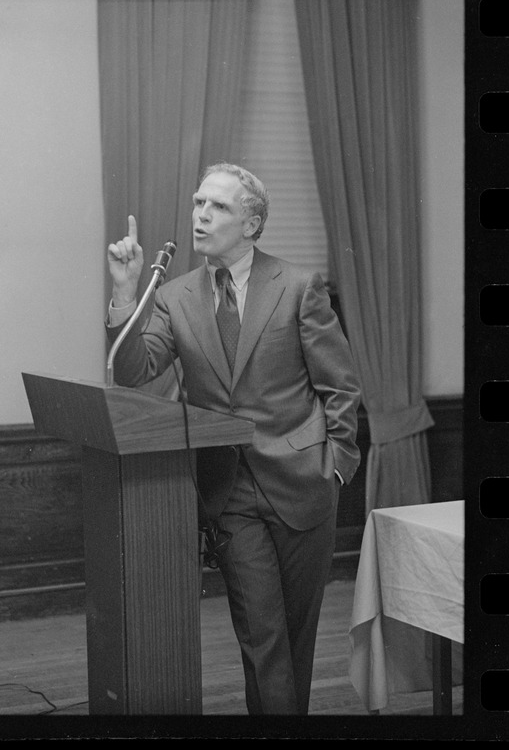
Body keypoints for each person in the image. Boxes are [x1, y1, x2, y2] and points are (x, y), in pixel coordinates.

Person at [106, 162, 361, 715]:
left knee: (296, 637)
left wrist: (337, 465)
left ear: (252, 223)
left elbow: (340, 386)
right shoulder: (174, 296)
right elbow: (133, 370)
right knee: (261, 636)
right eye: (198, 202)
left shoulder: (298, 287)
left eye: (217, 206)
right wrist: (127, 295)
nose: (201, 214)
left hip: (304, 484)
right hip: (229, 494)